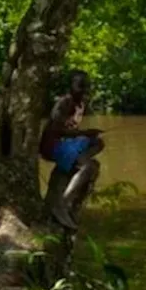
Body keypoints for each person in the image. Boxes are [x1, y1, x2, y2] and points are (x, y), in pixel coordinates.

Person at [39, 70, 105, 229]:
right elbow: (56, 129)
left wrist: (86, 134)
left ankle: (77, 162)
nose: (83, 89)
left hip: (65, 144)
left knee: (98, 143)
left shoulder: (80, 104)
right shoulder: (65, 102)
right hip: (52, 145)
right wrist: (84, 133)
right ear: (71, 86)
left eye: (85, 85)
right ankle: (63, 203)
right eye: (79, 85)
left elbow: (72, 129)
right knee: (89, 166)